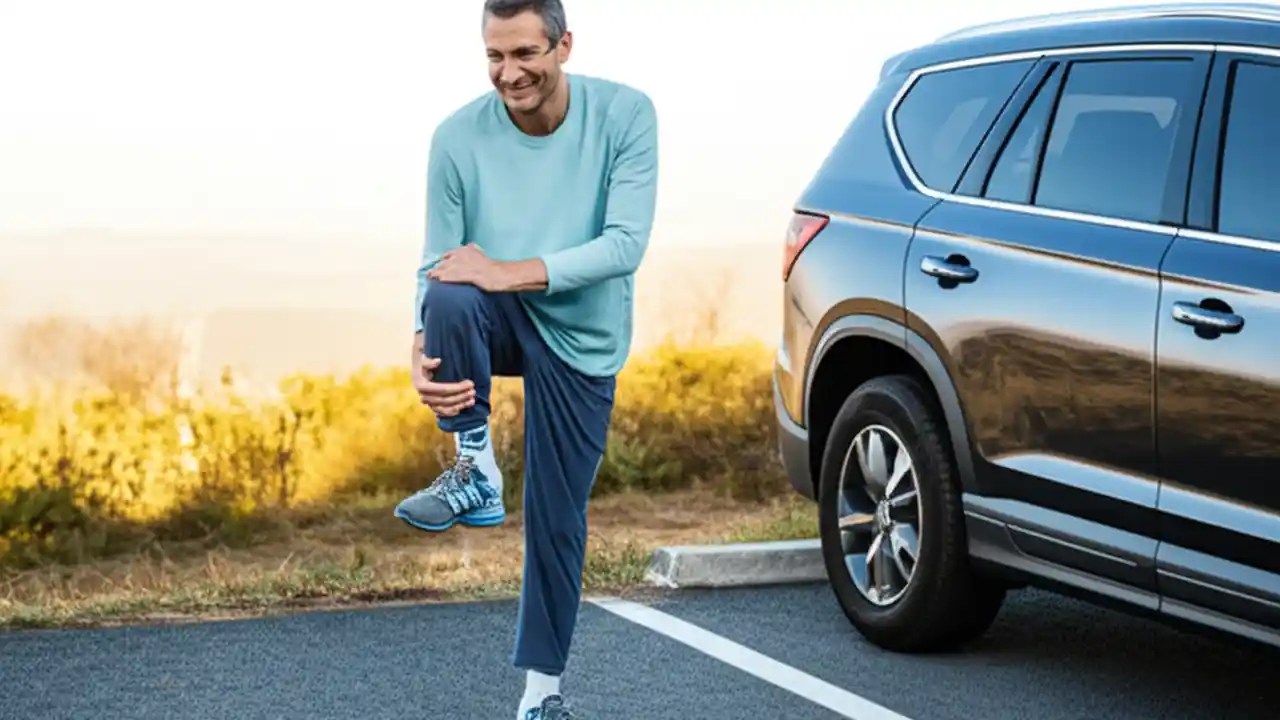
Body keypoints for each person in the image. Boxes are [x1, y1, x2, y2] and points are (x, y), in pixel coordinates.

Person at [393, 0, 658, 717]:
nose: (509, 74)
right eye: (494, 56)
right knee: (447, 294)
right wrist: (421, 349)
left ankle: (541, 695)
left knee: (556, 515)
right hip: (498, 317)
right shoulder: (456, 137)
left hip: (584, 333)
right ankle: (473, 466)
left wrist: (504, 270)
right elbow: (436, 264)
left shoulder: (626, 116)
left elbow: (624, 245)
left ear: (564, 45)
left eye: (525, 54)